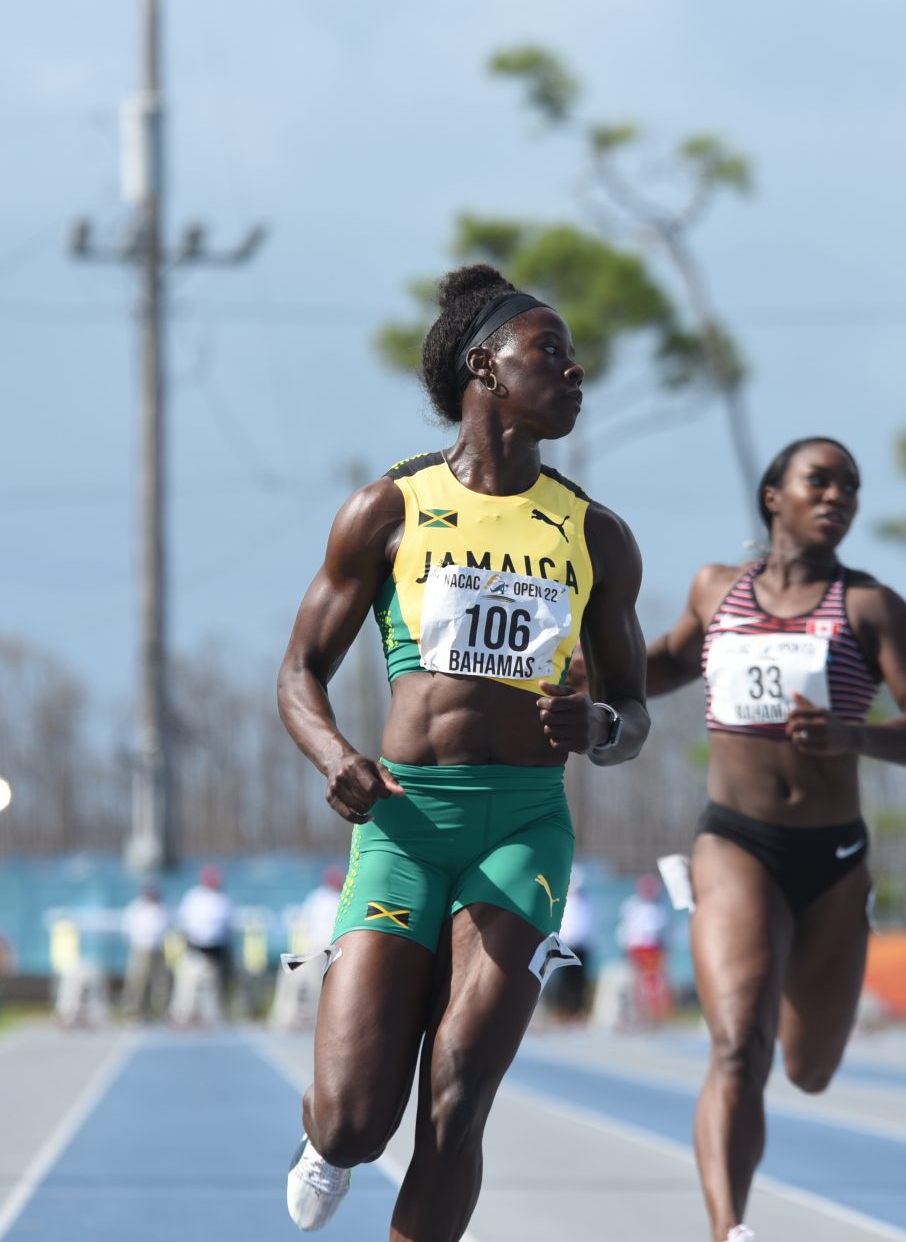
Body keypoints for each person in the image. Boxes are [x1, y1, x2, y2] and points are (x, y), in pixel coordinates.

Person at [276, 265, 649, 1238]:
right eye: (549, 355)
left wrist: (598, 727)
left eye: (573, 360)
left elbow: (634, 711)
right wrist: (333, 756)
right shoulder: (388, 508)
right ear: (483, 365)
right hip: (403, 818)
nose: (574, 372)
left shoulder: (594, 536)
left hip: (521, 824)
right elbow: (297, 672)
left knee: (456, 1098)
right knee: (359, 1118)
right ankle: (322, 1138)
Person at [643, 436, 906, 1242]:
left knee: (808, 1070)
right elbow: (663, 665)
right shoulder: (717, 589)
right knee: (738, 1047)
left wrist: (856, 737)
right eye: (821, 480)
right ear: (773, 495)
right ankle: (729, 1229)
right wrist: (589, 672)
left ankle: (790, 982)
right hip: (736, 842)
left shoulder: (871, 605)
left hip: (833, 860)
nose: (839, 496)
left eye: (852, 485)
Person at [271, 867, 348, 1031]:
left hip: (324, 947)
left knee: (314, 984)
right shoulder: (325, 897)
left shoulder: (324, 897)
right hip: (321, 947)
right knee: (312, 984)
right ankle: (309, 1018)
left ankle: (312, 1018)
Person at [171, 865, 235, 1028]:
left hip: (214, 952)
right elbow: (183, 923)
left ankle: (211, 1018)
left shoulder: (223, 899)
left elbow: (227, 928)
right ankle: (182, 1017)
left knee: (211, 989)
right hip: (195, 949)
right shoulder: (194, 897)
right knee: (187, 988)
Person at [617, 873, 673, 1027]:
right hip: (636, 949)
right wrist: (625, 948)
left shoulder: (660, 908)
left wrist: (665, 952)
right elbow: (624, 929)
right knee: (636, 983)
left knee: (654, 983)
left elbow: (665, 932)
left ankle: (655, 1016)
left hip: (654, 949)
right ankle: (637, 1015)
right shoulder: (630, 905)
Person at [543, 865, 594, 1022]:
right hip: (564, 944)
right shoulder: (565, 900)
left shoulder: (585, 902)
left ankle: (576, 1011)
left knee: (578, 982)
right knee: (561, 981)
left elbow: (587, 924)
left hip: (580, 946)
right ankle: (560, 1010)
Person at [121, 882, 171, 1024]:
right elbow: (128, 927)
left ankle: (160, 1012)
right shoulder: (135, 908)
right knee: (137, 982)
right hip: (141, 948)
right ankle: (132, 1012)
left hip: (158, 949)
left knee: (160, 983)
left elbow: (167, 926)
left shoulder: (161, 908)